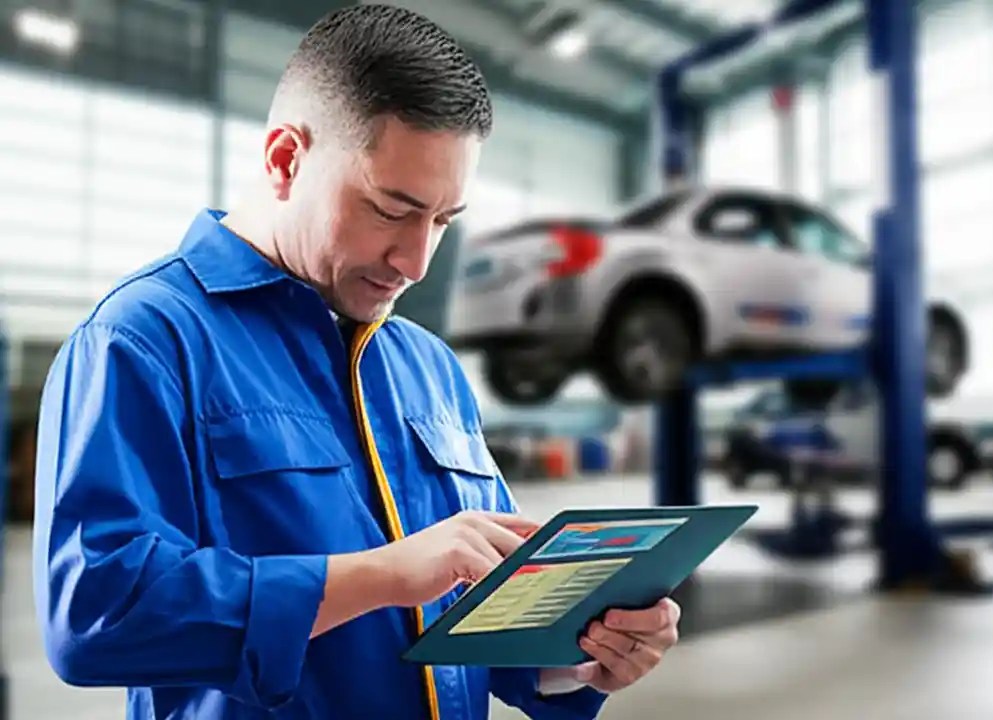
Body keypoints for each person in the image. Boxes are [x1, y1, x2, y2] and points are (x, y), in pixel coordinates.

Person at [32, 5, 679, 719]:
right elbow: (94, 614)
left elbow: (487, 623)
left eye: (443, 220)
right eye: (390, 209)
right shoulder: (144, 340)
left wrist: (587, 660)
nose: (417, 260)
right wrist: (382, 576)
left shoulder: (427, 365)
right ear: (285, 160)